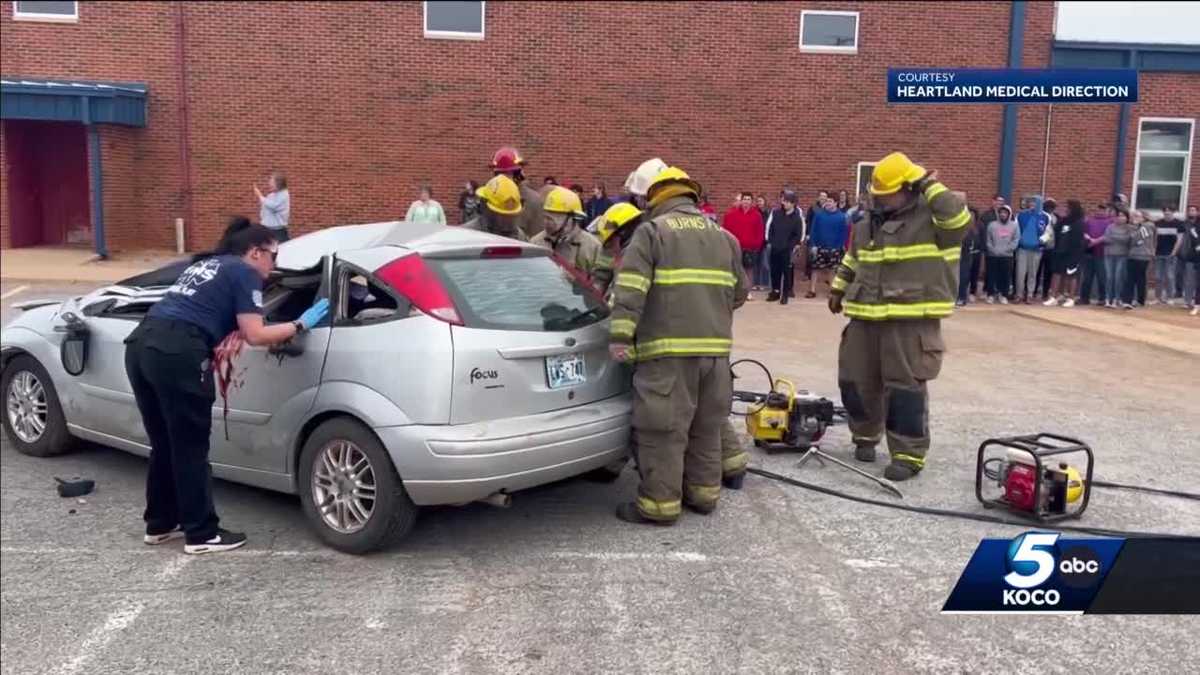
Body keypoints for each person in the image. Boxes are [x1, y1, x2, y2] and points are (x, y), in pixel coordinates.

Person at [124, 219, 329, 554]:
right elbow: (255, 334)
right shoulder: (244, 272)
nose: (274, 265)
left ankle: (160, 524)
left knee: (165, 444)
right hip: (178, 352)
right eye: (273, 256)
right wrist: (299, 324)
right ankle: (202, 534)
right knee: (190, 448)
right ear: (255, 252)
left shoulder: (208, 265)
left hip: (140, 346)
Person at [608, 165, 747, 524]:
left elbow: (630, 291)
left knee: (663, 430)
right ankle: (703, 495)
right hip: (715, 356)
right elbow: (740, 293)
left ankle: (660, 505)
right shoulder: (724, 237)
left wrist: (621, 338)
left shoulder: (652, 232)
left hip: (666, 355)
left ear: (655, 196)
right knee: (706, 426)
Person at [828, 152, 969, 481]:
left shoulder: (934, 218)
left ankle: (908, 454)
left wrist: (929, 185)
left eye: (887, 193)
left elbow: (958, 222)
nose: (880, 198)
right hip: (864, 315)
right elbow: (854, 258)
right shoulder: (868, 220)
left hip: (909, 318)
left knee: (904, 389)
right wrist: (839, 288)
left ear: (910, 187)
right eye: (877, 193)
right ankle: (864, 436)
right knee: (855, 380)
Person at [531, 186, 601, 276]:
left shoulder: (592, 246)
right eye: (546, 217)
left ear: (572, 218)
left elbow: (598, 280)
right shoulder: (535, 243)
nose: (547, 222)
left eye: (554, 217)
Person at [490, 147, 545, 238]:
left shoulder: (533, 201)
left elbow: (536, 238)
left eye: (508, 174)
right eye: (501, 174)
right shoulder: (487, 197)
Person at [721, 192, 765, 298]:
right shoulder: (731, 215)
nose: (746, 201)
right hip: (735, 248)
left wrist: (756, 245)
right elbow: (725, 230)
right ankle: (734, 292)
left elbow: (760, 232)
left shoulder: (757, 216)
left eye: (748, 199)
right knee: (735, 270)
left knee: (748, 270)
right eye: (744, 199)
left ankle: (747, 293)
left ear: (751, 202)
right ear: (741, 201)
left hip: (750, 248)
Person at [1043, 199, 1086, 307]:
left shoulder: (1079, 222)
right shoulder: (1063, 220)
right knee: (1056, 274)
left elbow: (1078, 240)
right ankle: (1054, 297)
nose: (1066, 209)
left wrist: (1074, 253)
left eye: (1068, 207)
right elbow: (1055, 231)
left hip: (1073, 253)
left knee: (1071, 275)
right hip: (1059, 251)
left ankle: (1071, 298)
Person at [765, 190, 805, 304]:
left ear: (793, 203)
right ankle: (775, 292)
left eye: (787, 202)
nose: (784, 204)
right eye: (784, 201)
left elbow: (798, 234)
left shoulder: (797, 218)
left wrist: (792, 245)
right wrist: (771, 241)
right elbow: (771, 229)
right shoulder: (776, 214)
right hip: (775, 247)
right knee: (774, 271)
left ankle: (785, 294)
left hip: (787, 250)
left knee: (786, 272)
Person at [463, 174, 527, 241]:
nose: (507, 223)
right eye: (505, 216)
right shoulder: (468, 234)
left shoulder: (520, 237)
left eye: (510, 216)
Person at [807, 197, 849, 299]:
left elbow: (844, 233)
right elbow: (813, 230)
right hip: (819, 247)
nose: (828, 203)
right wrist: (813, 245)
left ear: (836, 203)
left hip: (834, 248)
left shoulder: (842, 217)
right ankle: (812, 290)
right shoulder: (819, 215)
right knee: (815, 269)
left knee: (832, 270)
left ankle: (831, 292)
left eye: (830, 201)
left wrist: (839, 246)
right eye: (827, 201)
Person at [1090, 208, 1132, 309]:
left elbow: (1126, 240)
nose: (1120, 218)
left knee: (1118, 278)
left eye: (1123, 216)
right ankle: (1108, 298)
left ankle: (1117, 299)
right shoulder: (1110, 226)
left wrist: (1113, 237)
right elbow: (1106, 238)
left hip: (1122, 255)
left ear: (1127, 217)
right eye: (1118, 216)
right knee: (1109, 277)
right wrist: (1115, 238)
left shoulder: (1129, 228)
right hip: (1109, 255)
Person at [1015, 196, 1050, 304]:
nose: (1032, 204)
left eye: (1034, 202)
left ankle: (1030, 294)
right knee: (1020, 273)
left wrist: (1041, 242)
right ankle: (1019, 294)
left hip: (1036, 250)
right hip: (1022, 249)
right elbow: (1016, 230)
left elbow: (1048, 232)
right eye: (1030, 202)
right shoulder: (1021, 215)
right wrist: (1017, 242)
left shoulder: (1045, 217)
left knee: (1032, 273)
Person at [1079, 203, 1113, 305]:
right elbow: (1084, 232)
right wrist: (1088, 238)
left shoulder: (1110, 222)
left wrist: (1096, 241)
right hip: (1089, 252)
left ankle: (1102, 298)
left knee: (1102, 278)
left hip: (1102, 253)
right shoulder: (1089, 220)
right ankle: (1084, 298)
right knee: (1087, 278)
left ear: (1107, 211)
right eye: (1099, 209)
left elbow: (1108, 235)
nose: (1101, 211)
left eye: (1103, 210)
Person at [985, 205, 1018, 303]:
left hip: (1007, 256)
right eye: (1001, 213)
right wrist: (992, 250)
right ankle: (990, 295)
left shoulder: (1014, 226)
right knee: (991, 276)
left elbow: (1016, 240)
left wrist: (1006, 250)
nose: (1003, 214)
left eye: (1005, 213)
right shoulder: (992, 225)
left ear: (1009, 214)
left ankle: (1003, 295)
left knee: (1005, 276)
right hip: (993, 255)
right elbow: (988, 240)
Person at [1123, 210, 1156, 309]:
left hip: (1142, 256)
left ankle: (1135, 300)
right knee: (1133, 278)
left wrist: (1133, 231)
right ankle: (1133, 300)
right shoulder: (1135, 227)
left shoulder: (1146, 227)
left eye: (1137, 216)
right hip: (1133, 255)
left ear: (1143, 218)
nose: (1134, 218)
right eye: (1133, 216)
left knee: (1137, 278)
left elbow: (1135, 239)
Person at [1171, 206, 1200, 314]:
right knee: (1189, 279)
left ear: (1197, 212)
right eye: (1189, 210)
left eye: (1193, 210)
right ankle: (1188, 301)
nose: (1191, 212)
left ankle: (1195, 301)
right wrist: (1174, 252)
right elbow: (1180, 240)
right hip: (1189, 255)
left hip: (1197, 254)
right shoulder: (1184, 225)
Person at [956, 196, 982, 307]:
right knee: (957, 276)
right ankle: (957, 296)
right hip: (958, 252)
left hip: (967, 253)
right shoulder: (959, 221)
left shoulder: (974, 227)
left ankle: (962, 297)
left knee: (964, 276)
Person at [1153, 205, 1182, 305]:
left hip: (1171, 254)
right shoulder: (1158, 223)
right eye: (1165, 211)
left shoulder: (1179, 224)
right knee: (1158, 277)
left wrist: (1174, 252)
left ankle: (1170, 297)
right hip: (1158, 253)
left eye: (1169, 211)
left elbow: (1179, 240)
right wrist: (1153, 250)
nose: (1167, 212)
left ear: (1173, 212)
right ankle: (1157, 297)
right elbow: (1155, 238)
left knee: (1170, 276)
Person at [253, 171, 291, 242]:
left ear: (279, 184)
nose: (269, 185)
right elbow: (265, 208)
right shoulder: (271, 195)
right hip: (266, 229)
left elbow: (273, 206)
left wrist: (259, 195)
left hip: (278, 232)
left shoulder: (284, 195)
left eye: (272, 183)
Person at [1035, 199, 1059, 300]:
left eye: (1051, 207)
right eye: (1048, 207)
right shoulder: (1040, 216)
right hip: (1040, 247)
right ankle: (1034, 291)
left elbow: (1056, 232)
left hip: (1051, 247)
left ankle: (1045, 292)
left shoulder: (1056, 218)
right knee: (1037, 270)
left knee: (1048, 272)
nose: (1050, 209)